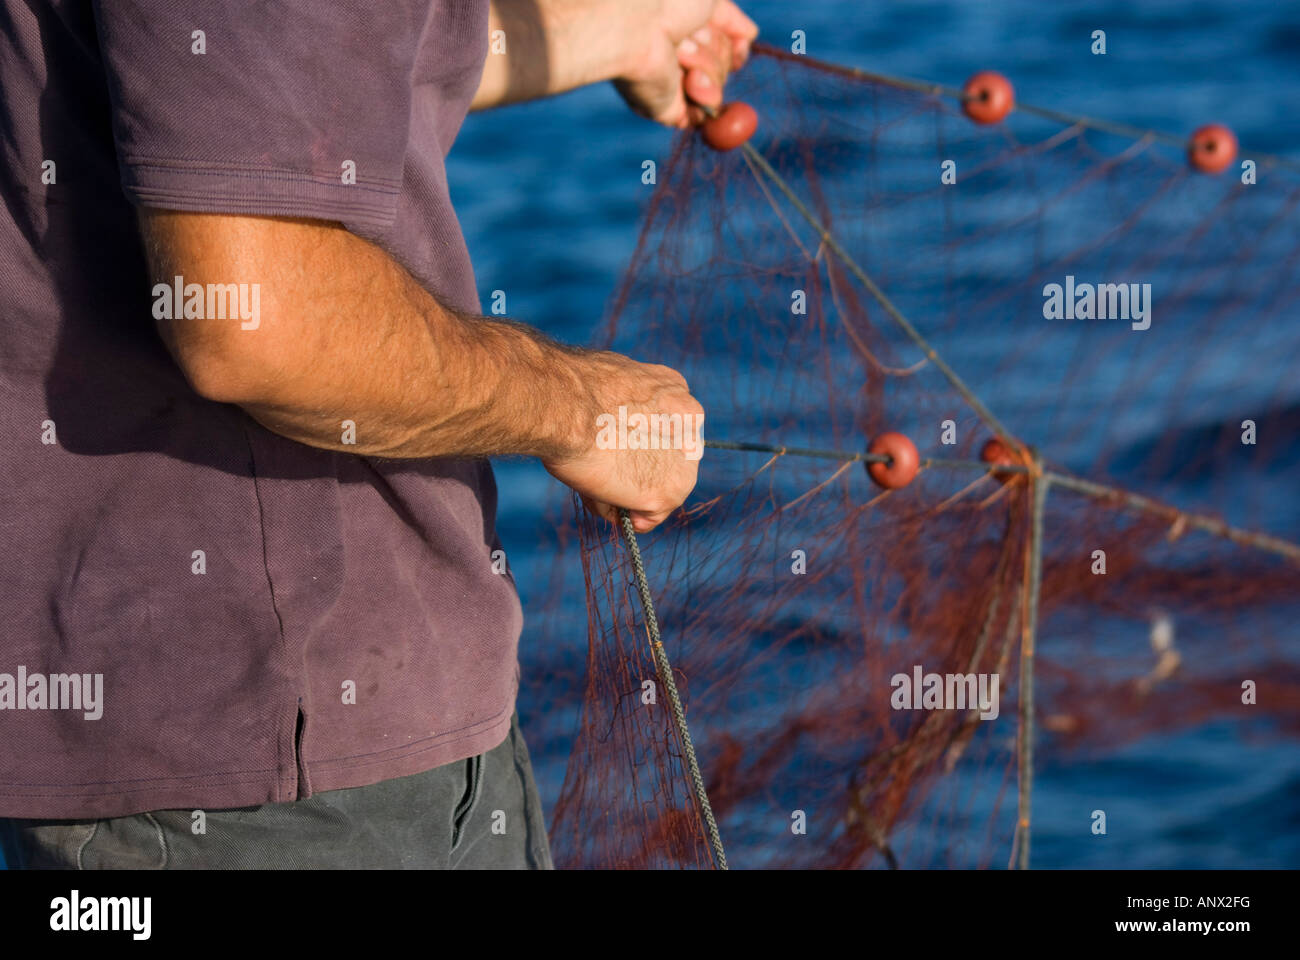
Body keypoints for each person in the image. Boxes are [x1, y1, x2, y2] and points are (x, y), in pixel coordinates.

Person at [0, 0, 756, 869]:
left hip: (96, 723)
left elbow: (256, 63)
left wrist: (627, 28)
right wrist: (583, 410)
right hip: (286, 776)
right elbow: (257, 318)